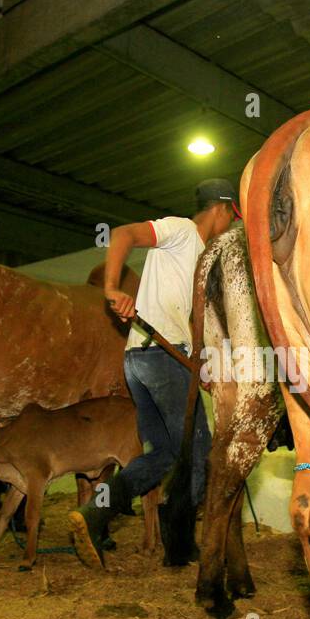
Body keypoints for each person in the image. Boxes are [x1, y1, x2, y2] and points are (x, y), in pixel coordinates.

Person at [68, 178, 239, 568]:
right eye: (231, 217)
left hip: (143, 359)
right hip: (160, 356)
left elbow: (192, 319)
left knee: (162, 454)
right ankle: (179, 541)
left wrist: (202, 369)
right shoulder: (181, 230)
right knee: (199, 452)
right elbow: (124, 234)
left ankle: (95, 513)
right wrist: (111, 289)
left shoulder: (201, 256)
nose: (230, 226)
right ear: (223, 209)